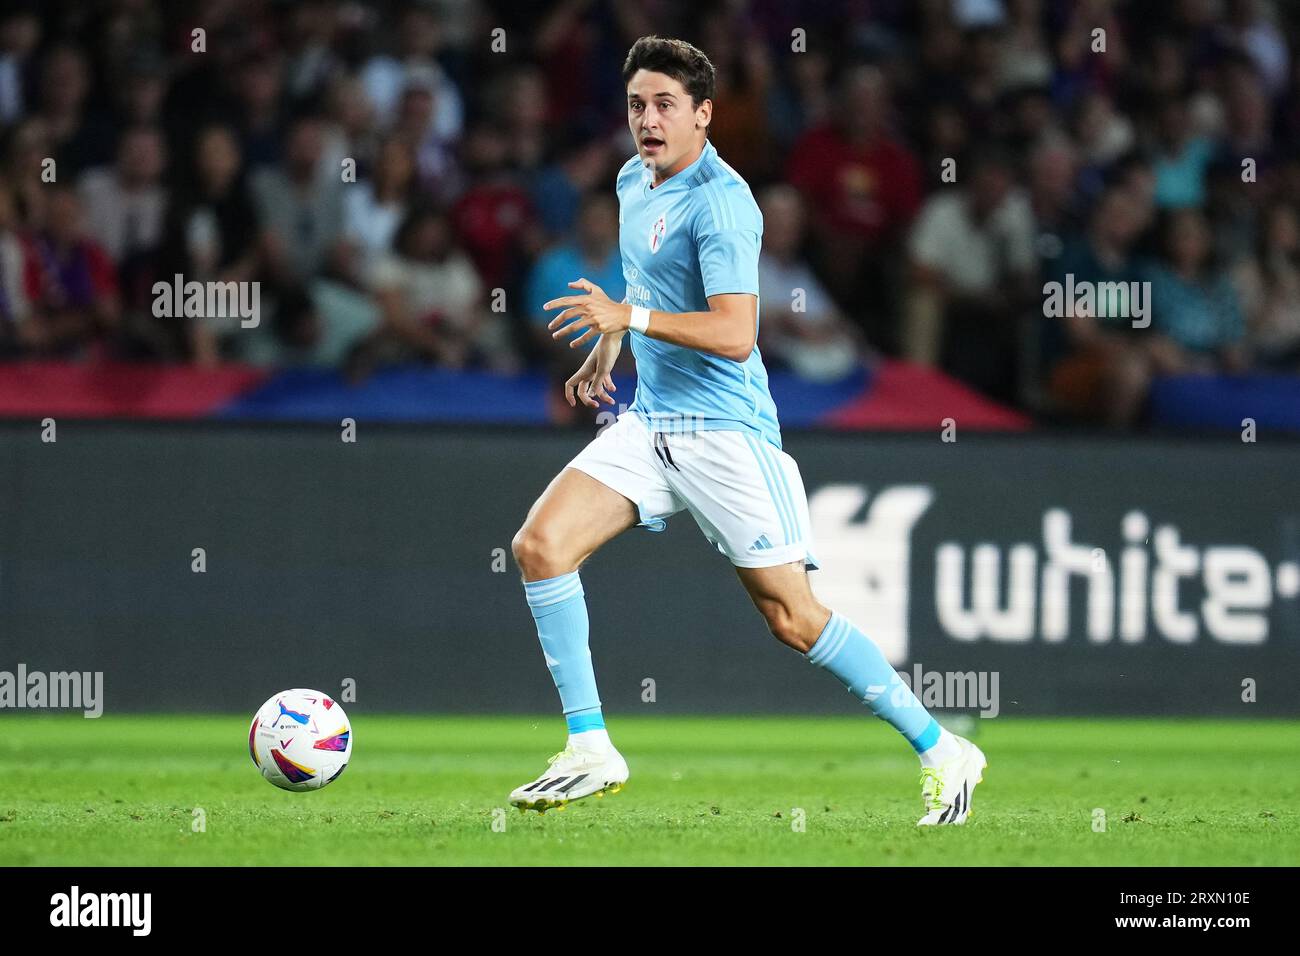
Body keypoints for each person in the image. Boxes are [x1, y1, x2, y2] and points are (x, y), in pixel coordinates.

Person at [510, 36, 986, 827]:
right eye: (637, 105)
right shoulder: (633, 179)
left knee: (793, 619)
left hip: (725, 434)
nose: (648, 120)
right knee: (539, 546)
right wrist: (610, 345)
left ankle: (943, 748)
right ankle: (590, 746)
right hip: (652, 419)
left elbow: (735, 332)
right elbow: (644, 285)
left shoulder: (724, 204)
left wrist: (627, 315)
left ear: (703, 115)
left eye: (666, 105)